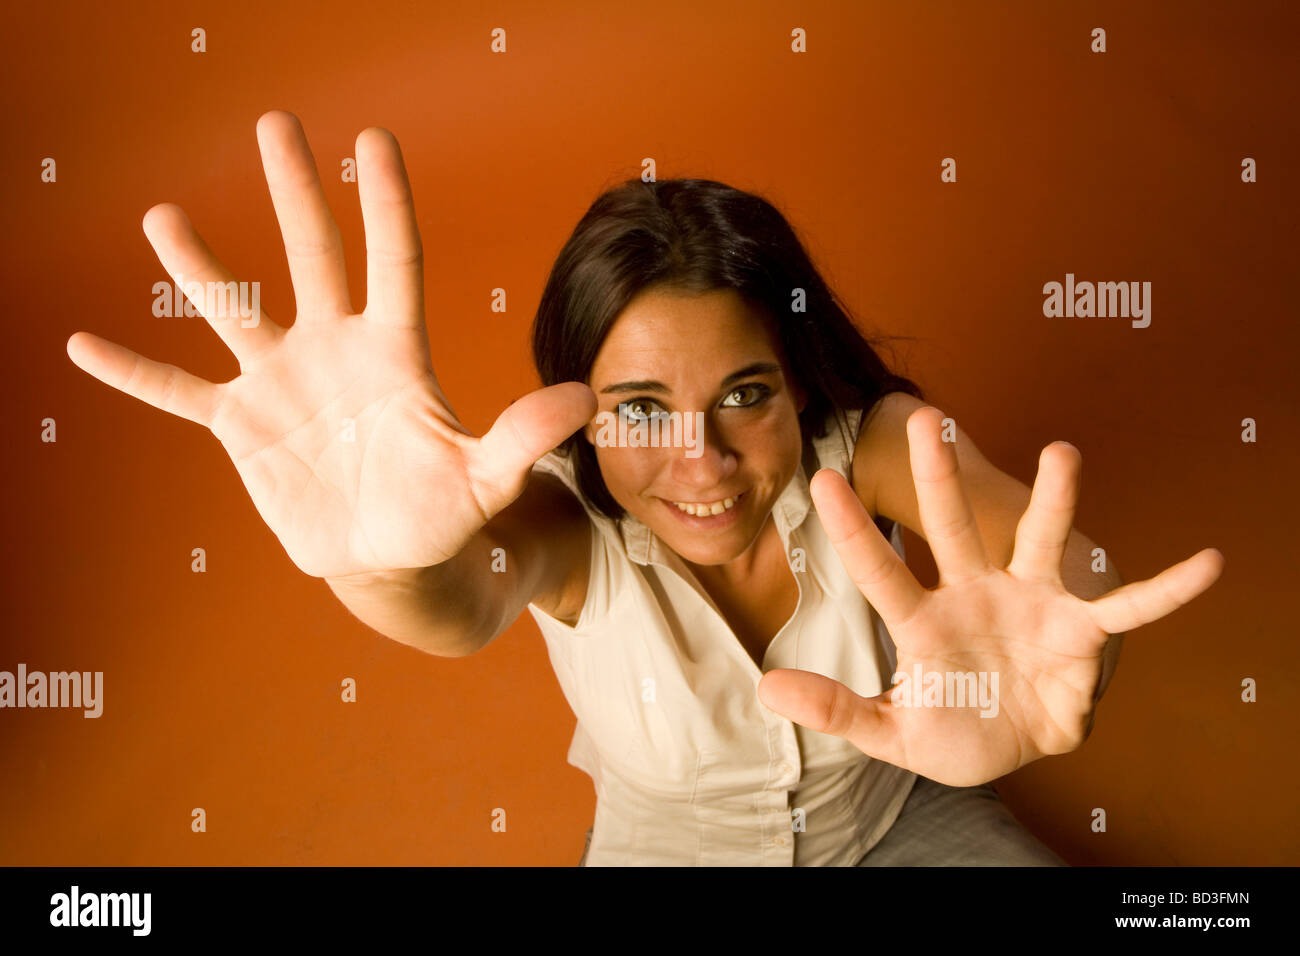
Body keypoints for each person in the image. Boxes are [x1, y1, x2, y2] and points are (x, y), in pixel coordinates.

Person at [65, 110, 1225, 867]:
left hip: (900, 826)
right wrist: (376, 557)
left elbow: (1038, 564)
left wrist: (1079, 635)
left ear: (800, 374)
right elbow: (456, 601)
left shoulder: (872, 440)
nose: (702, 461)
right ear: (578, 402)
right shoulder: (562, 516)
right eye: (638, 409)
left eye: (746, 393)